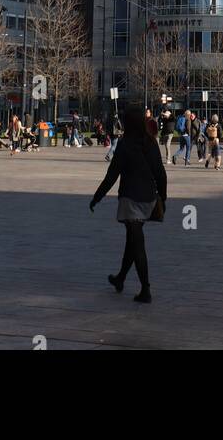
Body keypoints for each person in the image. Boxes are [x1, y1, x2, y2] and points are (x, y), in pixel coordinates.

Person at [90, 104, 167, 305]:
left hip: (130, 198)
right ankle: (121, 278)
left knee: (137, 244)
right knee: (132, 241)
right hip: (148, 198)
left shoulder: (125, 144)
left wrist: (97, 197)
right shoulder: (150, 143)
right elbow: (160, 173)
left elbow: (111, 176)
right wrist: (163, 198)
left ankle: (145, 290)